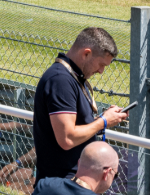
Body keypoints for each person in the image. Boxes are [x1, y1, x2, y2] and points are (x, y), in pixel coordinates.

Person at [32, 27, 127, 182]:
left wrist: (103, 119)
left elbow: (77, 126)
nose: (101, 71)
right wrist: (103, 122)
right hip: (62, 184)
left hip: (68, 182)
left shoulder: (73, 77)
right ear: (86, 53)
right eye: (101, 64)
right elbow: (67, 138)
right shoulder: (61, 80)